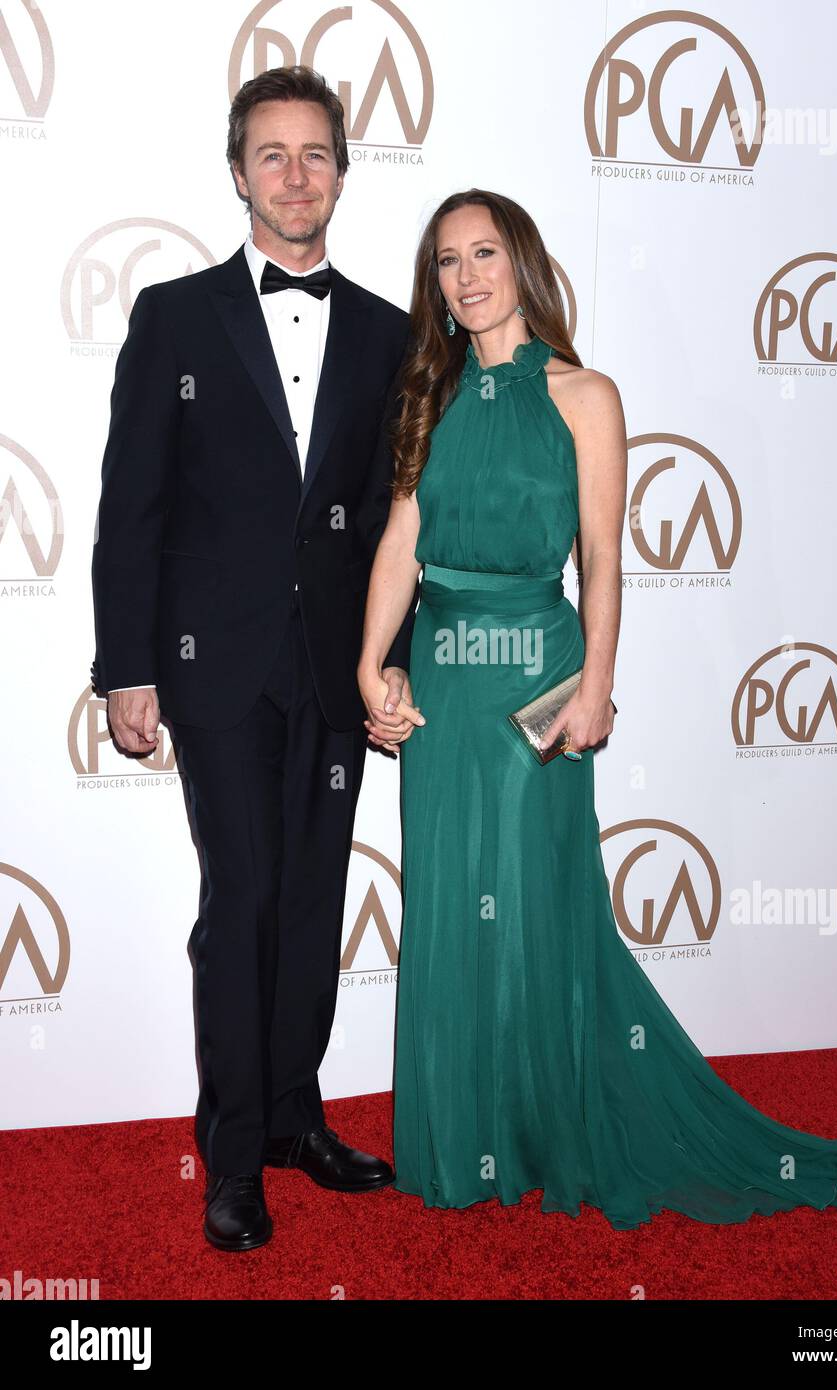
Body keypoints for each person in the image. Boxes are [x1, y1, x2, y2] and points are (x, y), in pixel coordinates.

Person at [357, 189, 837, 1231]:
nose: (466, 277)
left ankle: (550, 1128)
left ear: (523, 262)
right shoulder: (431, 393)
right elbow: (402, 540)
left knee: (532, 894)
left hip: (536, 674)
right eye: (447, 261)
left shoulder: (584, 393)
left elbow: (601, 556)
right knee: (454, 898)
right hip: (446, 675)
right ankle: (469, 1139)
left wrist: (594, 684)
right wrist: (372, 667)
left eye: (485, 253)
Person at [90, 65, 418, 1251]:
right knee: (244, 902)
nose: (294, 174)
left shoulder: (388, 332)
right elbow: (134, 503)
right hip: (212, 667)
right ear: (238, 173)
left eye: (315, 153)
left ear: (341, 171)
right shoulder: (173, 317)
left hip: (334, 670)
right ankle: (231, 1158)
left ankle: (292, 1117)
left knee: (313, 899)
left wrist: (394, 666)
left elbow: (397, 521)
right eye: (270, 154)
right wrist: (125, 664)